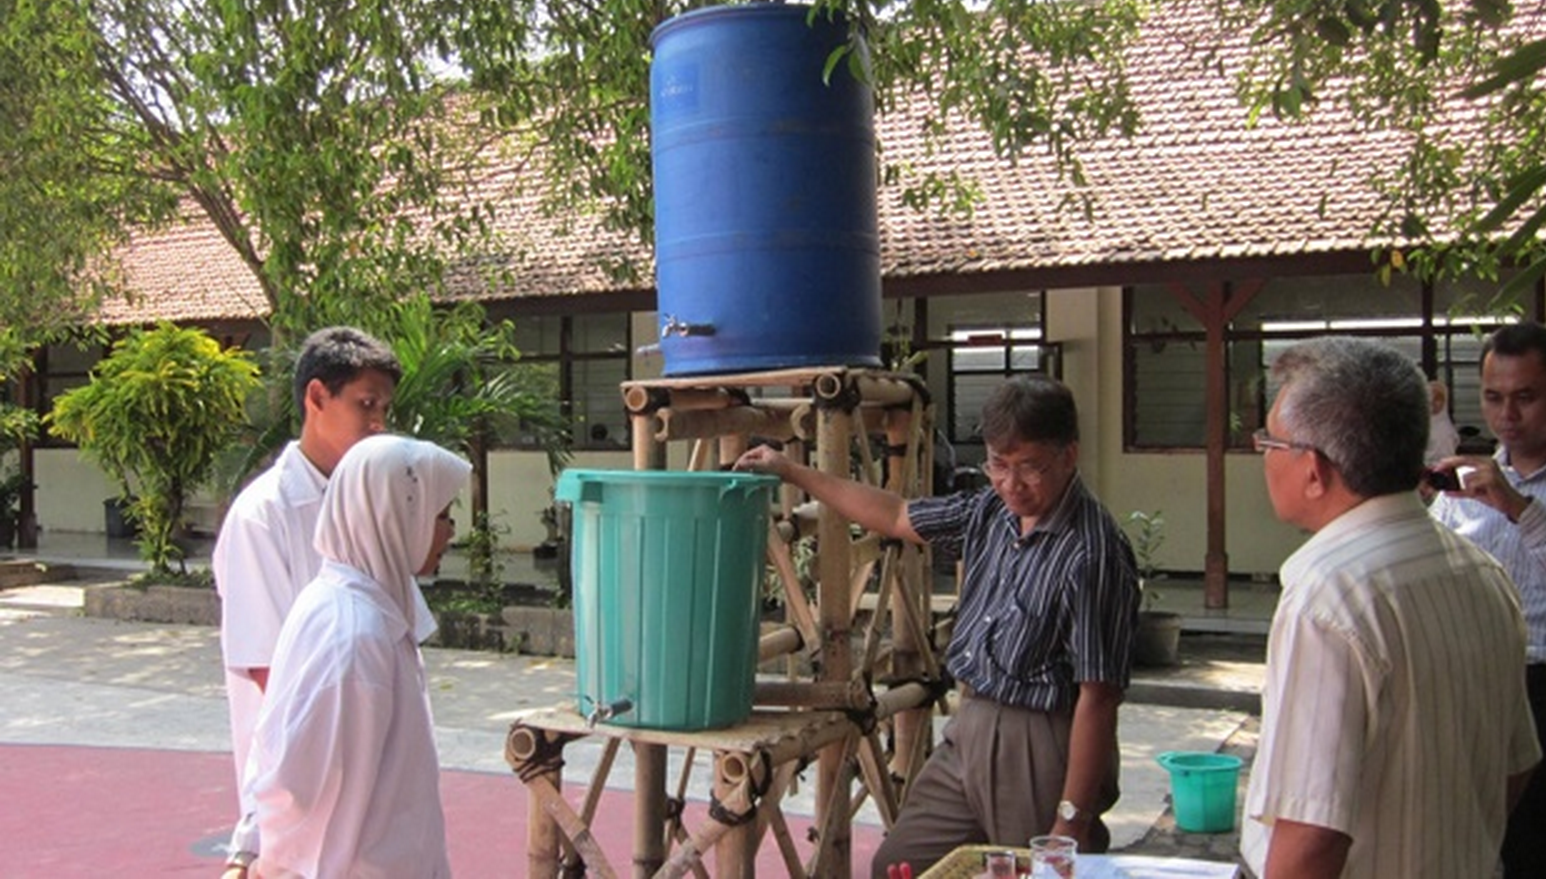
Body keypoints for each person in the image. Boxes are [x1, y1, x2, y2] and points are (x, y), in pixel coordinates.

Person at [735, 375, 1138, 877]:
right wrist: (793, 472)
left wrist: (1070, 821)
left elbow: (1098, 696)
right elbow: (899, 514)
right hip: (970, 726)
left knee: (1039, 872)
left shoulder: (1093, 551)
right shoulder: (992, 511)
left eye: (1030, 467)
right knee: (900, 865)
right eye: (998, 465)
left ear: (1069, 455)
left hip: (1041, 745)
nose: (1012, 484)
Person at [1242, 336, 1540, 879]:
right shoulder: (1481, 572)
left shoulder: (1327, 595)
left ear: (1313, 468)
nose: (1263, 458)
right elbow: (1513, 768)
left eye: (1269, 444)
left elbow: (1310, 837)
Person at [215, 327, 438, 874]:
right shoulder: (262, 515)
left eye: (385, 406)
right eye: (366, 404)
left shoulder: (369, 502)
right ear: (317, 398)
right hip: (307, 775)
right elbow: (273, 677)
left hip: (374, 765)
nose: (379, 422)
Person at [242, 434, 470, 877]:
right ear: (394, 515)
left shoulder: (363, 606)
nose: (449, 530)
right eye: (439, 514)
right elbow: (306, 796)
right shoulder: (353, 638)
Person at [1429, 321, 1546, 877]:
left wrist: (1518, 509)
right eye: (1494, 398)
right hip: (1473, 681)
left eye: (1526, 397)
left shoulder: (1499, 494)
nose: (1508, 416)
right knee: (1471, 837)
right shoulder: (1463, 489)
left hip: (1541, 681)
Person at [1424, 378, 1460, 466]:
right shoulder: (1422, 426)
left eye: (1438, 399)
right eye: (1431, 398)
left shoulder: (1446, 428)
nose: (1434, 403)